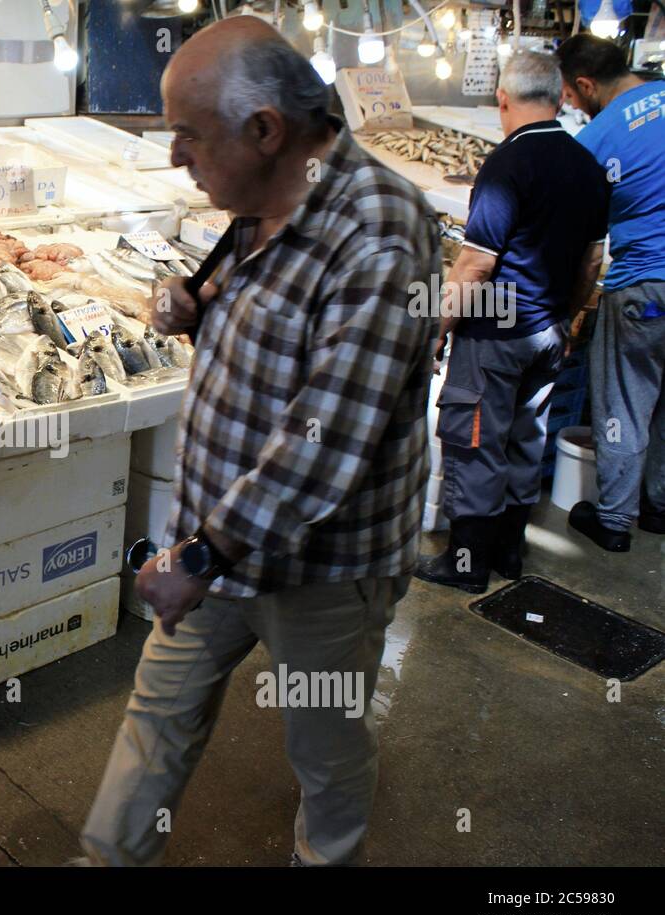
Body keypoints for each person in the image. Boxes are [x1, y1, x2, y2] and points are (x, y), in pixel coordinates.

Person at [78, 17, 439, 866]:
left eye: (187, 137)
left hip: (321, 570)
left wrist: (198, 559)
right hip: (215, 540)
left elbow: (326, 446)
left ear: (266, 130)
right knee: (157, 718)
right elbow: (276, 335)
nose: (176, 158)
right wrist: (201, 312)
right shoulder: (255, 202)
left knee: (326, 756)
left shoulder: (379, 232)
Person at [416, 52, 609, 593]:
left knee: (475, 441)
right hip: (547, 331)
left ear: (503, 99)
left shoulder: (508, 164)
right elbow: (591, 262)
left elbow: (476, 263)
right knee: (527, 439)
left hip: (497, 332)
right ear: (559, 96)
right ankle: (509, 554)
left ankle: (466, 565)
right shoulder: (588, 166)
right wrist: (566, 320)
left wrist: (438, 329)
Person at [557, 34, 665, 551]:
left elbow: (582, 246)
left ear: (584, 84)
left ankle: (615, 521)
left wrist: (569, 310)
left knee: (626, 398)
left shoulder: (595, 140)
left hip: (644, 288)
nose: (574, 107)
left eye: (573, 98)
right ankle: (660, 507)